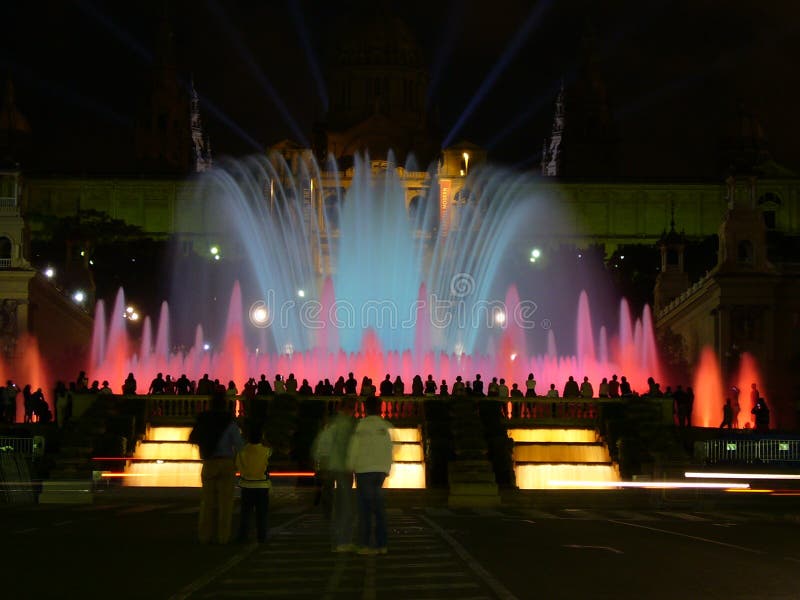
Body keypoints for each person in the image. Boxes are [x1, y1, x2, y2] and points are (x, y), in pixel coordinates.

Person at [189, 392, 244, 545]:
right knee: (225, 503)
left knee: (207, 502)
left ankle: (204, 536)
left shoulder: (204, 420)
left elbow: (193, 437)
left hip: (209, 462)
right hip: (226, 463)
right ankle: (223, 537)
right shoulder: (229, 422)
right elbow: (239, 445)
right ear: (225, 404)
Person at [347, 396, 393, 555]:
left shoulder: (361, 426)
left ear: (365, 409)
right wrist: (386, 469)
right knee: (379, 509)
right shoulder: (384, 427)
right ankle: (382, 544)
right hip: (380, 471)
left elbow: (354, 448)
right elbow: (389, 449)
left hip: (364, 470)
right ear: (380, 408)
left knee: (365, 509)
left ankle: (365, 544)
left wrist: (350, 465)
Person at [313, 397, 357, 552]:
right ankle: (341, 541)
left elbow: (322, 444)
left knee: (338, 506)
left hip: (335, 468)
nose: (354, 411)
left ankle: (338, 540)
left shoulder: (334, 423)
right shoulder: (344, 424)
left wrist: (321, 464)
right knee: (343, 506)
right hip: (342, 468)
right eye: (352, 407)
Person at [236, 427, 272, 544]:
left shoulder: (242, 451)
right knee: (262, 514)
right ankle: (262, 536)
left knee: (245, 514)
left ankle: (243, 536)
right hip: (262, 486)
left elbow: (238, 466)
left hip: (246, 485)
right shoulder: (266, 451)